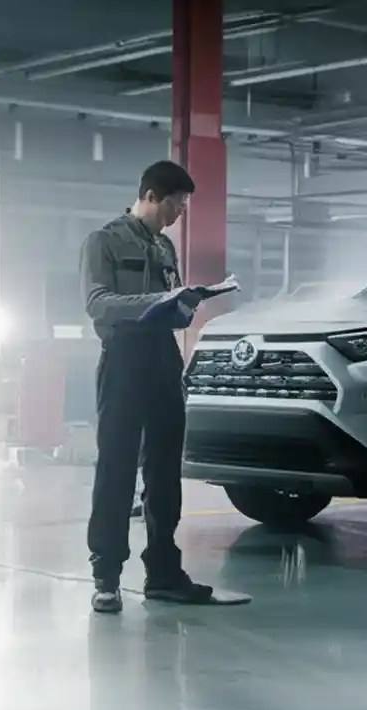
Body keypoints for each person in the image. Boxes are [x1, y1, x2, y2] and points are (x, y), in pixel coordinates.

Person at [79, 160, 208, 614]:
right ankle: (107, 577)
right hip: (124, 361)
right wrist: (157, 301)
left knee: (164, 470)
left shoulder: (166, 248)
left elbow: (169, 306)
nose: (180, 213)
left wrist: (185, 307)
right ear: (152, 195)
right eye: (177, 203)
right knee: (116, 469)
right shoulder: (104, 242)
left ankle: (164, 573)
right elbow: (99, 305)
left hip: (162, 360)